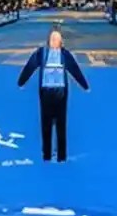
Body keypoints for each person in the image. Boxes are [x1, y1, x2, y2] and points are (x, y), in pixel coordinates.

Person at [17, 23, 89, 162]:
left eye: (57, 39)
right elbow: (30, 66)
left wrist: (84, 85)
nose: (55, 41)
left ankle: (62, 155)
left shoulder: (65, 54)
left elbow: (74, 69)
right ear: (48, 40)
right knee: (46, 124)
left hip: (61, 93)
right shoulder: (41, 53)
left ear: (62, 41)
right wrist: (22, 81)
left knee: (61, 124)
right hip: (46, 93)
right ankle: (47, 154)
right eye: (52, 39)